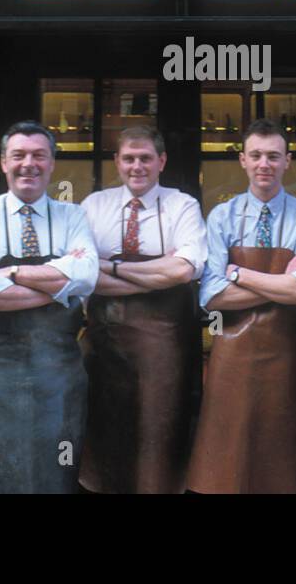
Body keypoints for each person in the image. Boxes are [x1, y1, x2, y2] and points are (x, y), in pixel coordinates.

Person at [0, 121, 98, 493]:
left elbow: (85, 277)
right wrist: (57, 286)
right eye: (18, 155)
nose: (28, 164)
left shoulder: (73, 216)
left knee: (55, 474)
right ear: (3, 163)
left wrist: (12, 273)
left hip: (59, 371)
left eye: (39, 155)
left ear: (52, 164)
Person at [187, 118, 296, 494]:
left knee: (284, 466)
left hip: (288, 354)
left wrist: (239, 275)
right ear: (243, 159)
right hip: (230, 357)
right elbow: (210, 296)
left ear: (287, 161)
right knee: (227, 464)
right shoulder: (221, 217)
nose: (265, 164)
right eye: (257, 155)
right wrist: (282, 283)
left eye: (274, 156)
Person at [78, 125, 207, 493]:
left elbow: (185, 269)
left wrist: (112, 267)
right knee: (106, 436)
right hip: (104, 349)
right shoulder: (93, 206)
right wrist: (155, 273)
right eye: (129, 158)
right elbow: (83, 275)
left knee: (159, 438)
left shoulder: (182, 205)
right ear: (117, 162)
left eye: (146, 158)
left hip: (165, 352)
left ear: (161, 161)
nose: (138, 166)